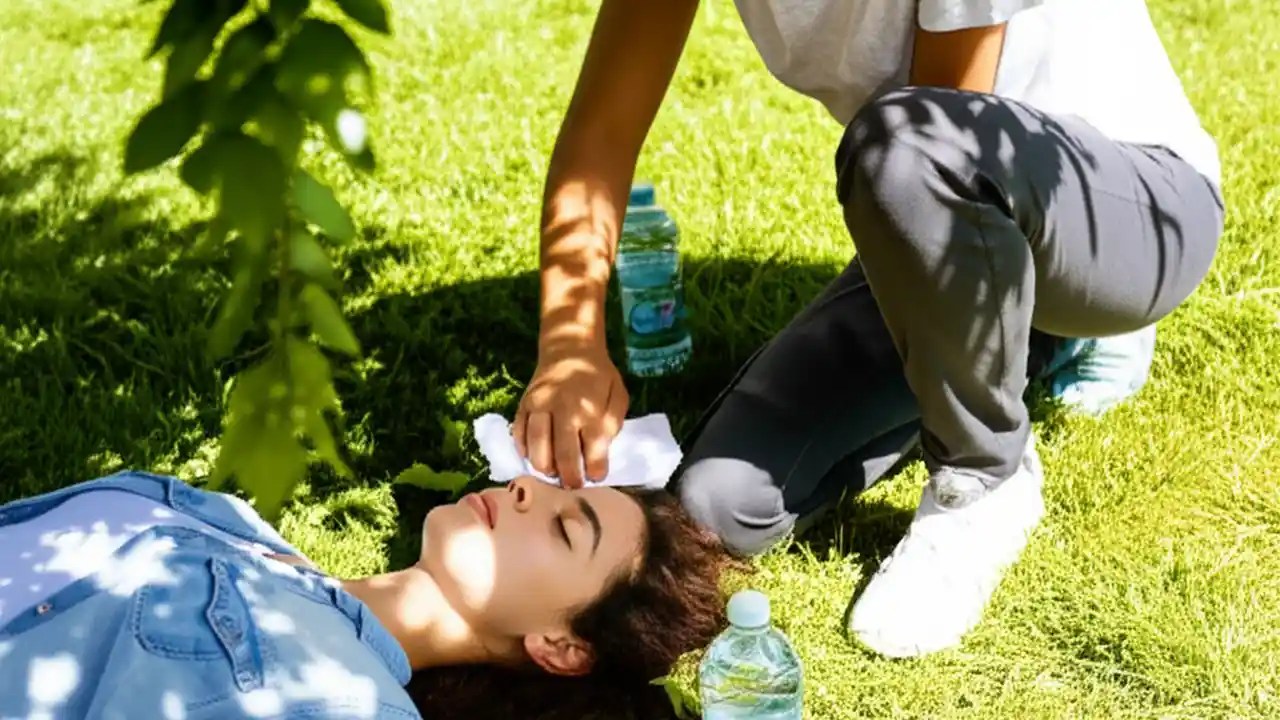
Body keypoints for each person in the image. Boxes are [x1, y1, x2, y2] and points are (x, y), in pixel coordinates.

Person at [514, 0, 1223, 659]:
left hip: (1128, 202)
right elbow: (603, 131)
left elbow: (939, 129)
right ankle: (1025, 333)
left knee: (906, 144)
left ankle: (985, 475)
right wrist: (569, 346)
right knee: (718, 505)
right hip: (944, 215)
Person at [0, 471, 730, 719]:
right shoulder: (237, 522)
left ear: (561, 647)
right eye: (551, 487)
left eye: (567, 528)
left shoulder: (340, 698)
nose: (524, 488)